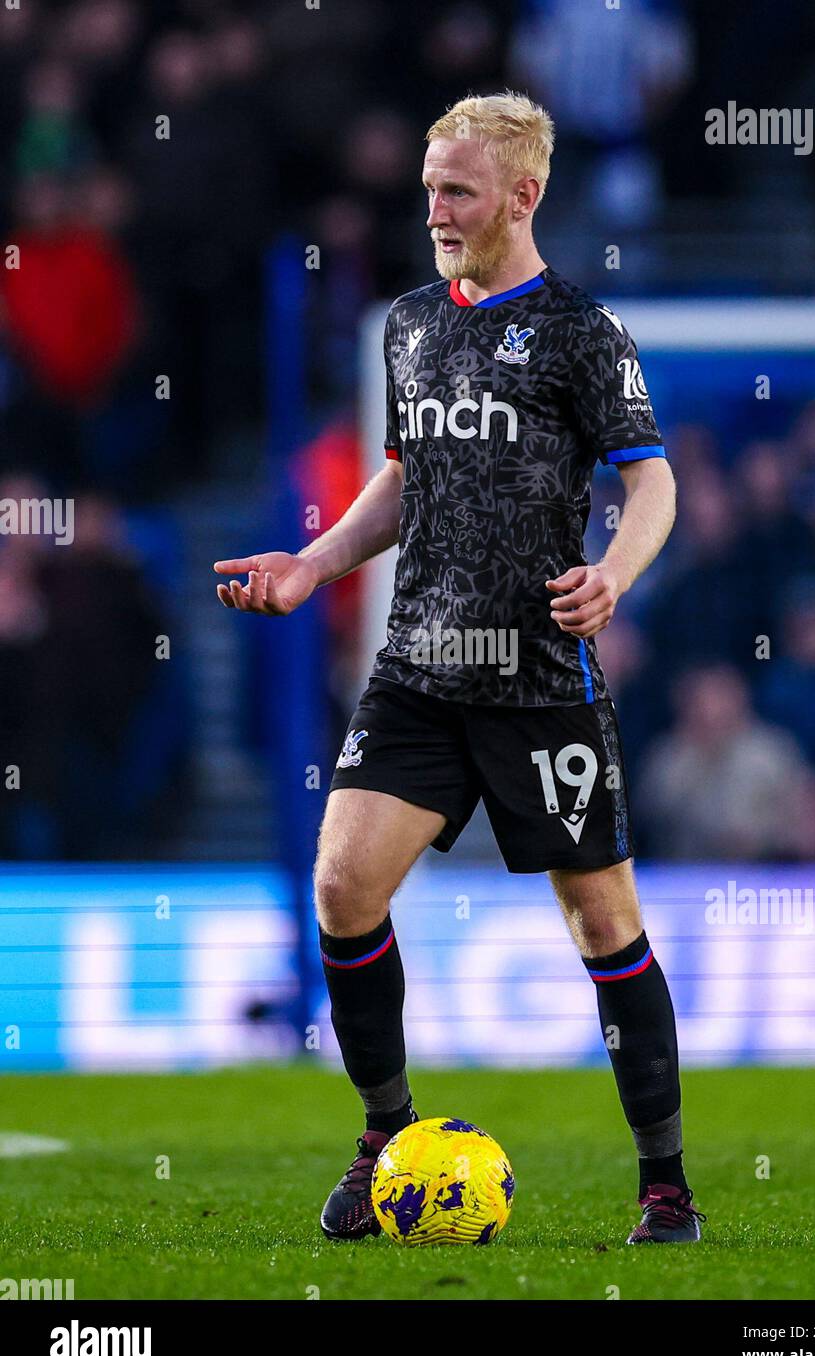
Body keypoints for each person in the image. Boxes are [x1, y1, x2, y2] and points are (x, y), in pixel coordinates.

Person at [214, 92, 702, 1246]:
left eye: (458, 192)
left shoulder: (585, 334)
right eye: (429, 186)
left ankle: (666, 1183)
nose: (433, 209)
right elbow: (405, 475)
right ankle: (387, 1131)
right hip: (420, 668)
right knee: (343, 884)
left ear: (521, 198)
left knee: (601, 922)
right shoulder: (411, 324)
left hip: (542, 680)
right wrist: (315, 565)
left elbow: (655, 482)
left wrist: (615, 576)